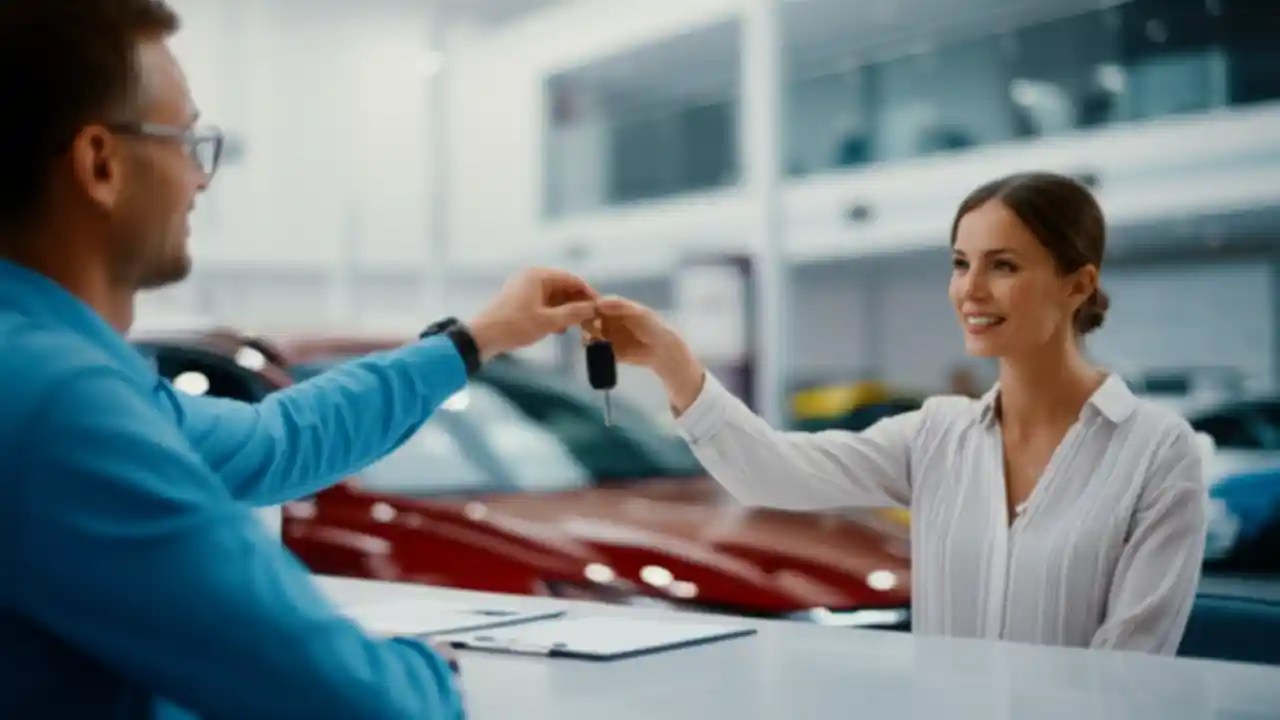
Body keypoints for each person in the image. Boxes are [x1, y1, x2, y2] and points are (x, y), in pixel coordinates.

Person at [0, 1, 597, 718]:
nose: (202, 178)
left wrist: (476, 340)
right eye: (185, 140)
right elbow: (356, 702)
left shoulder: (43, 374)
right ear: (100, 163)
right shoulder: (57, 407)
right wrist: (422, 672)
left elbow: (276, 440)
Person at [590, 171, 1208, 655]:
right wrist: (674, 364)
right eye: (961, 263)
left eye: (1004, 265)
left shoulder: (1157, 451)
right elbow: (768, 471)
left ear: (1077, 285)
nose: (970, 289)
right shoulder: (938, 434)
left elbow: (1132, 666)